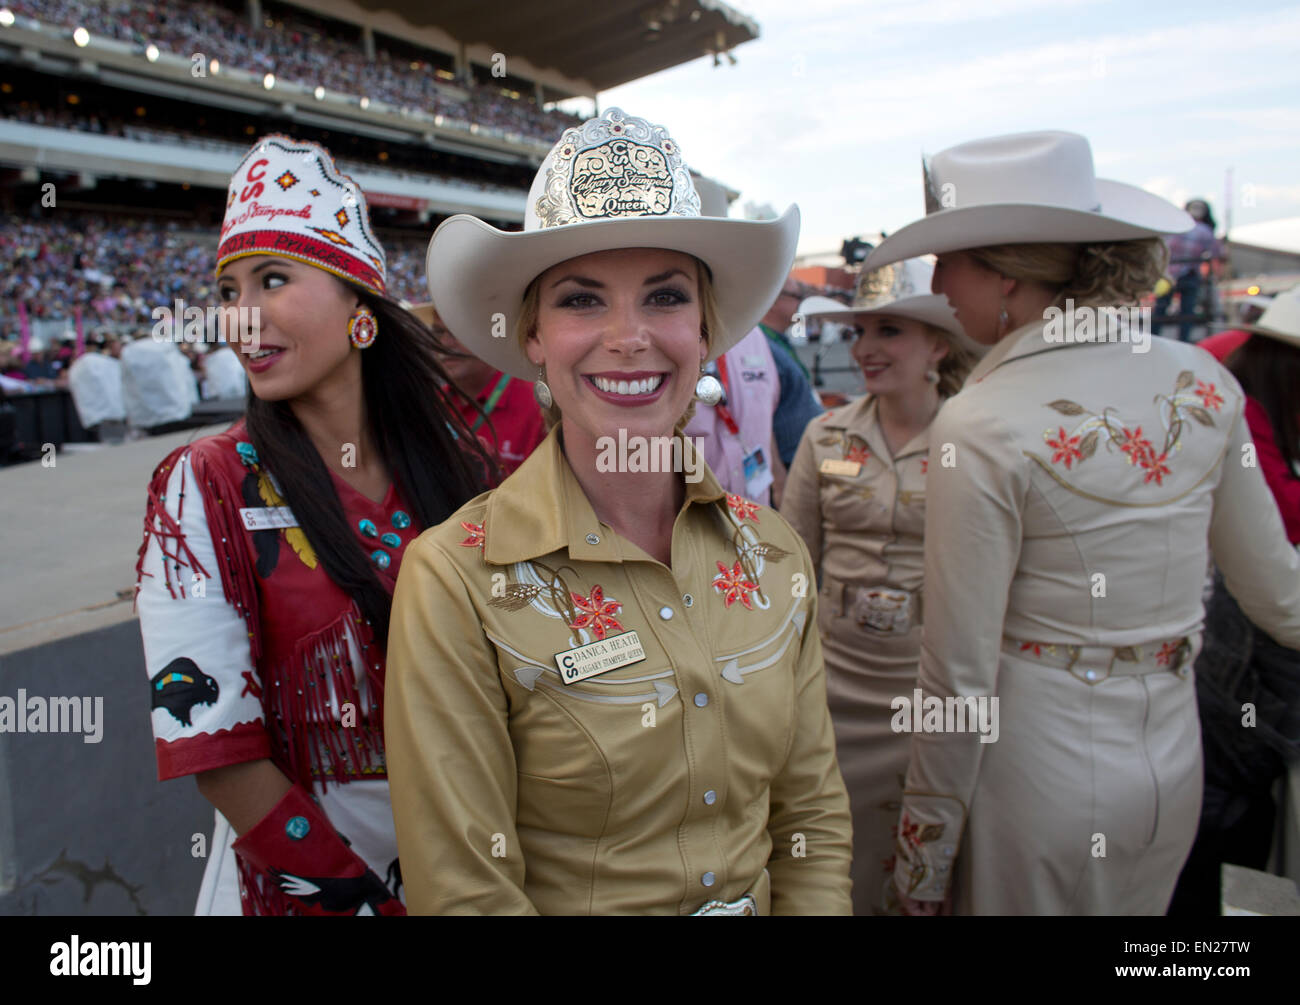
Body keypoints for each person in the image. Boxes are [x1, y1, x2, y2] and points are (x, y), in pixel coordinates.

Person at [385, 107, 853, 915]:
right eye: (582, 301)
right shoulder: (453, 578)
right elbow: (465, 891)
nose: (629, 337)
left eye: (664, 296)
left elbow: (810, 818)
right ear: (533, 334)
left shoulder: (775, 554)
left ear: (705, 330)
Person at [860, 130, 1300, 915]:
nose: (937, 281)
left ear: (1006, 272)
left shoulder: (981, 422)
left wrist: (921, 865)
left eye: (951, 256)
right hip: (1172, 761)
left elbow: (959, 682)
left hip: (1039, 773)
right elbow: (1280, 596)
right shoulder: (1203, 381)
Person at [133, 134, 489, 915]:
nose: (242, 317)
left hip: (474, 880)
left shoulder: (458, 465)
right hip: (305, 895)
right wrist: (366, 905)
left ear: (360, 310)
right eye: (228, 292)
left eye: (271, 280)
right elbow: (220, 753)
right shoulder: (206, 487)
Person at [779, 258, 976, 914]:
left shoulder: (977, 442)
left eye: (888, 331)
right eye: (859, 333)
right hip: (832, 683)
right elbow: (793, 564)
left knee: (930, 867)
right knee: (839, 854)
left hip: (932, 687)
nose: (864, 349)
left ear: (938, 345)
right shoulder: (823, 433)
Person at [1170, 286, 1300, 913]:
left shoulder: (1236, 380)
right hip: (1252, 654)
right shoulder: (1237, 399)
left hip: (1255, 643)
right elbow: (1276, 531)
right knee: (1237, 832)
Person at [410, 301, 546, 476]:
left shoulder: (539, 407)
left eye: (458, 332)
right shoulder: (429, 405)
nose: (444, 343)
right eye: (438, 332)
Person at [1154, 198, 1221, 343]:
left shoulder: (1175, 225)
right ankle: (1183, 340)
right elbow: (1216, 253)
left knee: (1162, 308)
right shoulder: (1205, 230)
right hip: (1187, 274)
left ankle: (1155, 337)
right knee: (1186, 311)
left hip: (1168, 274)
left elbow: (1160, 247)